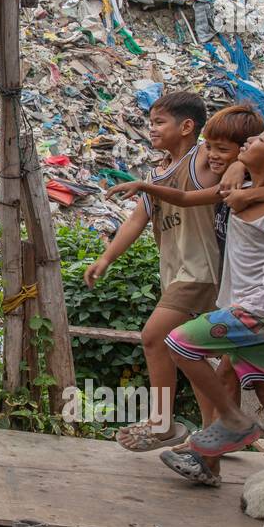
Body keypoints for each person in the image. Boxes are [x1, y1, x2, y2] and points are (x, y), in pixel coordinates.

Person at [111, 106, 264, 486]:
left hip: (256, 307)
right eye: (210, 148)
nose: (214, 155)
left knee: (178, 343)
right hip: (244, 303)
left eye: (225, 148)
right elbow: (187, 200)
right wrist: (143, 186)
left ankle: (223, 432)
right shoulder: (232, 186)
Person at [83, 92, 229, 451]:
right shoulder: (158, 173)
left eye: (159, 122)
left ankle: (164, 423)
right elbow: (136, 220)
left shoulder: (203, 161)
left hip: (201, 269)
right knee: (189, 350)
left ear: (187, 126)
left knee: (153, 336)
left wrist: (237, 164)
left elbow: (239, 156)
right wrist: (106, 258)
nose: (151, 129)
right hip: (177, 273)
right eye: (150, 122)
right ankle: (218, 426)